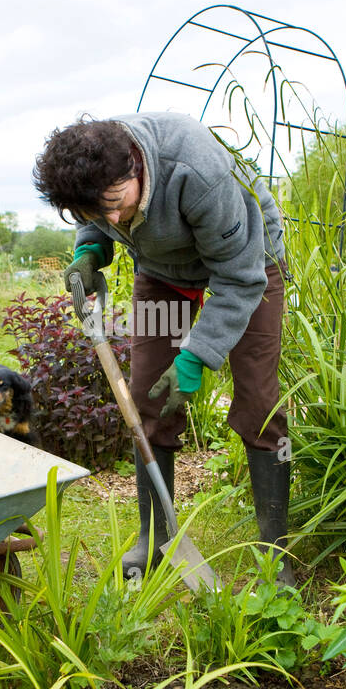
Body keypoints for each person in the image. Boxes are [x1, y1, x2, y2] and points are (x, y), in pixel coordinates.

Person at [33, 112, 295, 585]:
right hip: (164, 273)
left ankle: (274, 552)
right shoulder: (98, 183)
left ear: (135, 166)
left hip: (248, 266)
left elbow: (239, 280)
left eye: (116, 202)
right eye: (95, 211)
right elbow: (98, 215)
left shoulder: (198, 172)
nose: (113, 217)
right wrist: (88, 250)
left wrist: (195, 356)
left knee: (258, 400)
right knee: (149, 396)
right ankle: (154, 537)